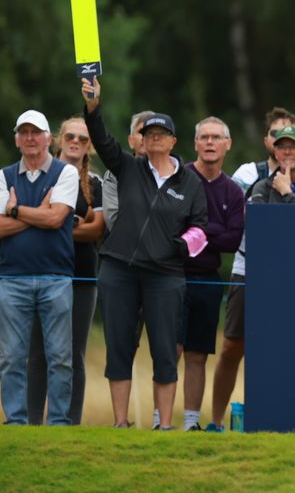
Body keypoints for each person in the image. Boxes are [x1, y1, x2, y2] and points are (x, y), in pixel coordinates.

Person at [82, 76, 208, 430]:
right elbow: (102, 139)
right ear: (141, 140)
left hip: (166, 275)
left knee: (166, 352)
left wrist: (180, 246)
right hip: (119, 269)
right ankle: (122, 423)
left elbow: (202, 228)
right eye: (148, 133)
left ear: (173, 141)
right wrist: (93, 106)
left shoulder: (190, 182)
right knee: (119, 348)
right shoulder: (127, 167)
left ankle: (164, 425)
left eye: (161, 134)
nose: (154, 138)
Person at [208, 108, 295, 432]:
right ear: (268, 142)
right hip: (248, 267)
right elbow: (238, 217)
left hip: (292, 274)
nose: (284, 146)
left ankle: (280, 419)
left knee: (283, 348)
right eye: (278, 137)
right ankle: (216, 421)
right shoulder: (250, 173)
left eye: (291, 138)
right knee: (233, 346)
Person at [0, 110, 79, 425]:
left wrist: (16, 210)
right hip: (11, 278)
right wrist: (38, 214)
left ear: (49, 138)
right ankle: (16, 423)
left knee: (60, 359)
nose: (30, 138)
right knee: (10, 359)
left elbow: (56, 219)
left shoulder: (65, 173)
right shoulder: (3, 175)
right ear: (17, 140)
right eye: (24, 133)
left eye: (36, 132)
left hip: (56, 277)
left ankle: (59, 423)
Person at [27, 117, 104, 425]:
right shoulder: (36, 176)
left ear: (90, 147)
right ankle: (32, 423)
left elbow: (96, 229)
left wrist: (52, 223)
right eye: (70, 136)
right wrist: (56, 222)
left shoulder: (95, 184)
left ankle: (70, 423)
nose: (76, 142)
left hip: (81, 274)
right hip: (39, 270)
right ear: (58, 139)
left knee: (73, 354)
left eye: (83, 139)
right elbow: (30, 221)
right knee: (38, 352)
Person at [177, 117, 245, 431]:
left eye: (216, 137)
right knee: (170, 350)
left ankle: (191, 421)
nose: (209, 142)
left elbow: (233, 240)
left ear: (227, 144)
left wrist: (200, 231)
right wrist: (212, 231)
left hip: (207, 279)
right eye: (204, 137)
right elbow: (173, 228)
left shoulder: (232, 190)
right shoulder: (180, 178)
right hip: (173, 275)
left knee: (197, 353)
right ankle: (160, 419)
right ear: (195, 144)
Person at [102, 110, 155, 232]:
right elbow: (114, 221)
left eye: (150, 132)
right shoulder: (114, 174)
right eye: (141, 132)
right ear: (131, 141)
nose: (145, 137)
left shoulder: (175, 173)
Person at [249, 125, 295, 204]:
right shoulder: (263, 188)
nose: (287, 152)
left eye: (294, 147)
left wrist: (286, 193)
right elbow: (261, 216)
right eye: (281, 147)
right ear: (276, 153)